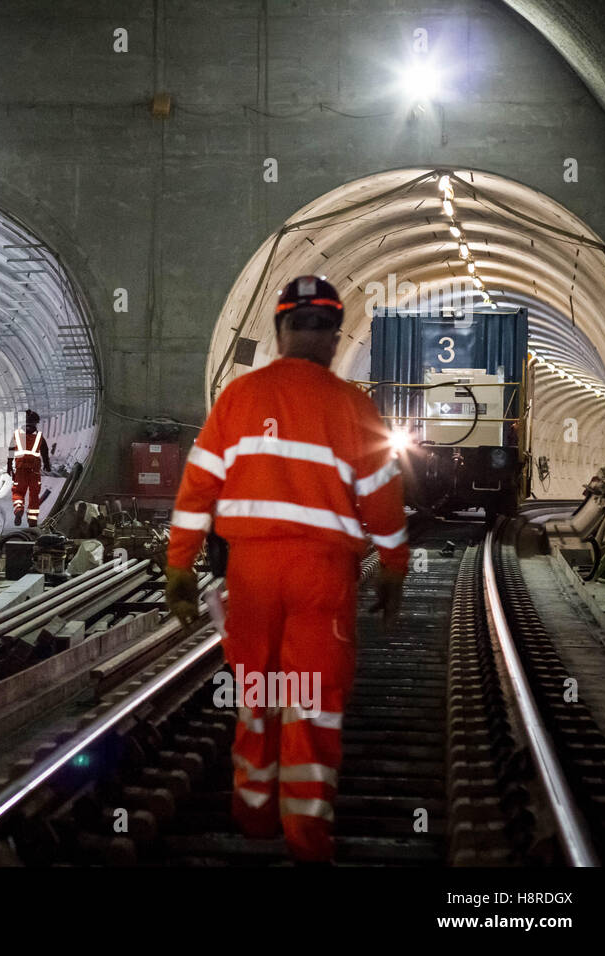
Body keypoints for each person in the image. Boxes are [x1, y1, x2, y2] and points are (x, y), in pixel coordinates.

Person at [163, 275, 408, 864]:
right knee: (314, 704)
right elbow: (382, 500)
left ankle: (252, 816)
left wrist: (180, 567)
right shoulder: (353, 406)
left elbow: (196, 489)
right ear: (332, 336)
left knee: (259, 692)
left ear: (279, 331)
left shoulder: (238, 399)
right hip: (322, 576)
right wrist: (394, 569)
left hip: (251, 574)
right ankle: (306, 839)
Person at [8, 410, 51, 527]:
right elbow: (45, 451)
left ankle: (18, 509)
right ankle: (32, 521)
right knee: (34, 495)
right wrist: (47, 465)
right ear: (35, 423)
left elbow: (11, 451)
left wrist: (9, 466)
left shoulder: (17, 434)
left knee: (18, 492)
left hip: (20, 469)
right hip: (34, 471)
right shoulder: (39, 436)